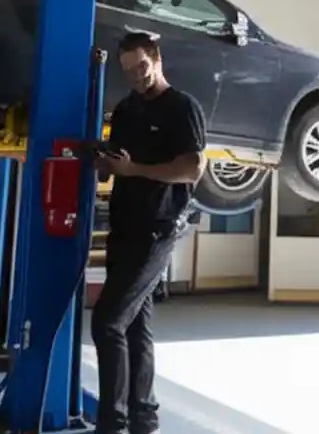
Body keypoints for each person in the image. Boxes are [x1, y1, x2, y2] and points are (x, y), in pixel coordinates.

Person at [91, 31, 206, 434]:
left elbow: (192, 169)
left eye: (141, 67)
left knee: (107, 321)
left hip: (158, 228)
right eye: (128, 72)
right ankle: (144, 418)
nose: (137, 77)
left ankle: (112, 424)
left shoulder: (182, 107)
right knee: (136, 322)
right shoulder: (125, 110)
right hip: (123, 225)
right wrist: (104, 165)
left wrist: (133, 170)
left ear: (156, 59)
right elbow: (118, 163)